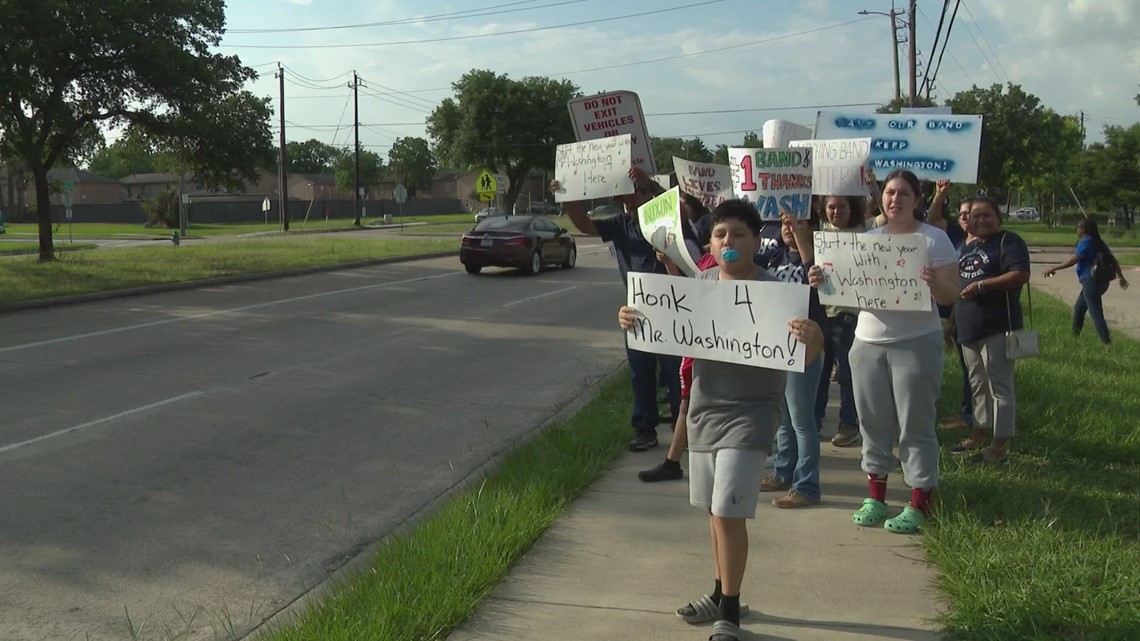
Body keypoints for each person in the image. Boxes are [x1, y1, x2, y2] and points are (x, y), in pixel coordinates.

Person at [620, 200, 823, 641]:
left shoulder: (778, 292)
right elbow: (663, 327)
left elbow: (806, 356)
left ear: (755, 241)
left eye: (739, 234)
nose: (729, 241)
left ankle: (729, 611)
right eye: (720, 234)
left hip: (752, 414)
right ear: (710, 243)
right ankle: (719, 592)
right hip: (704, 411)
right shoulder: (700, 287)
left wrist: (814, 338)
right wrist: (633, 319)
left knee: (729, 512)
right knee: (714, 512)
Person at [809, 169, 959, 534]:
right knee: (872, 423)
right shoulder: (867, 240)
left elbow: (950, 295)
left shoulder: (934, 239)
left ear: (917, 199)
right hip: (867, 343)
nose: (895, 199)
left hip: (916, 342)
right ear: (881, 199)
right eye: (890, 193)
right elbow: (844, 288)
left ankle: (920, 501)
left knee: (915, 424)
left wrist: (932, 282)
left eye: (904, 193)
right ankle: (876, 497)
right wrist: (822, 279)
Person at [554, 169, 682, 451]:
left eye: (637, 191)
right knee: (641, 372)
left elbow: (678, 205)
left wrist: (649, 184)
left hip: (675, 308)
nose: (631, 198)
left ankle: (681, 426)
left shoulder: (667, 218)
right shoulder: (621, 224)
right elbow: (586, 225)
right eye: (627, 193)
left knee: (676, 372)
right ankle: (645, 428)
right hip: (637, 311)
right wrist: (569, 198)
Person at [949, 196, 1030, 463]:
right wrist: (953, 322)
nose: (981, 220)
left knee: (999, 387)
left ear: (999, 218)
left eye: (987, 215)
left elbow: (1020, 274)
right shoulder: (967, 246)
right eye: (976, 216)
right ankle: (977, 436)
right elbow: (960, 286)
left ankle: (999, 447)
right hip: (968, 328)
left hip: (997, 326)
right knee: (977, 386)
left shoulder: (1008, 241)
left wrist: (983, 285)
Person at [756, 212, 826, 508]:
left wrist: (801, 237)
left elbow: (819, 282)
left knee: (802, 422)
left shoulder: (819, 262)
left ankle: (806, 486)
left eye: (797, 222)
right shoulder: (774, 257)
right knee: (783, 419)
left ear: (811, 227)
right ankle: (783, 472)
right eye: (784, 223)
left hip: (803, 349)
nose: (789, 227)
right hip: (776, 348)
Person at [814, 195, 867, 448]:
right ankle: (814, 421)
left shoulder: (865, 231)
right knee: (820, 374)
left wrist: (873, 187)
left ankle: (848, 424)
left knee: (846, 374)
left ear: (851, 207)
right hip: (821, 314)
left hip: (849, 315)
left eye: (841, 206)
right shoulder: (819, 232)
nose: (836, 212)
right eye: (831, 207)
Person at [1044, 218, 1130, 343]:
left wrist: (1054, 268)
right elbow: (1114, 261)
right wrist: (1121, 277)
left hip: (1090, 281)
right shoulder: (1100, 242)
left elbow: (1073, 260)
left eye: (1078, 227)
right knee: (1079, 309)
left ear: (1084, 230)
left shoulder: (1085, 242)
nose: (1077, 230)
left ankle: (1106, 342)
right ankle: (1074, 337)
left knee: (1095, 312)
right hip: (1102, 282)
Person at [940, 194, 978, 432]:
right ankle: (968, 413)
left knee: (974, 370)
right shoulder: (956, 238)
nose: (964, 217)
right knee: (968, 368)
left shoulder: (984, 245)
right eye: (961, 213)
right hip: (957, 313)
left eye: (969, 213)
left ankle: (973, 418)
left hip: (974, 317)